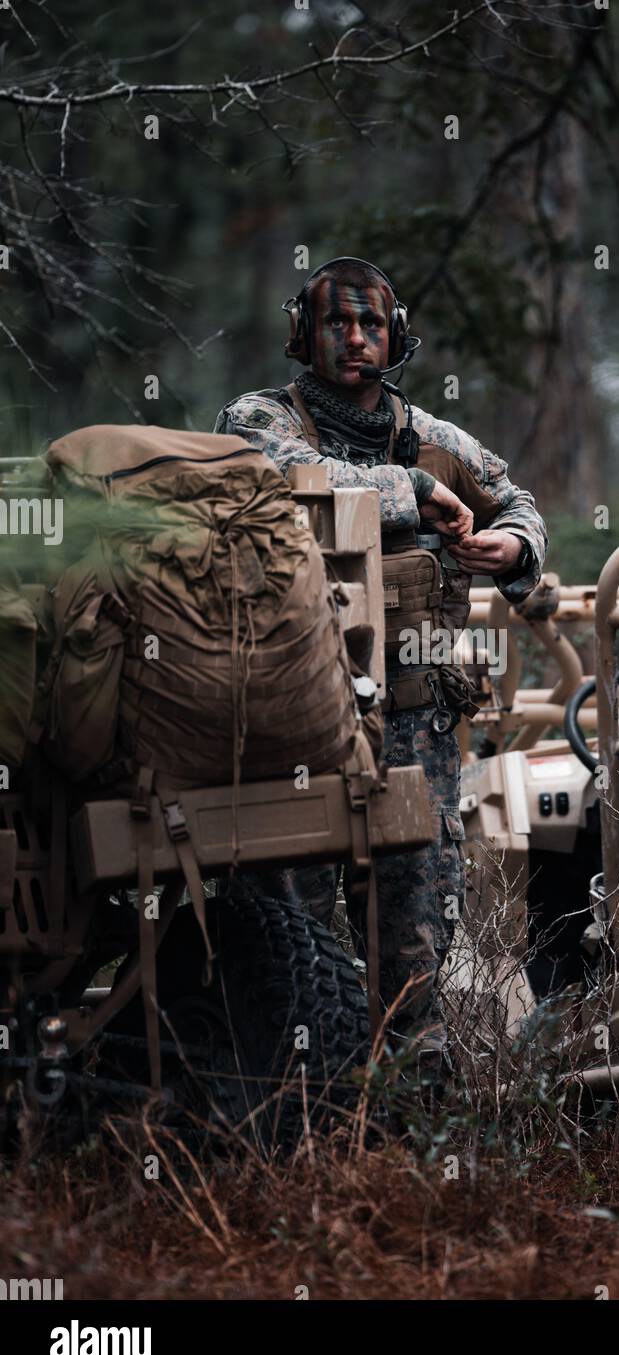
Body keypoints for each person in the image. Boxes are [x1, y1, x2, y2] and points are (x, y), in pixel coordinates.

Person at [214, 256, 547, 1081]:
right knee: (290, 920)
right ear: (306, 334)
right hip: (297, 716)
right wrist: (409, 493)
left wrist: (513, 547)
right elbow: (273, 479)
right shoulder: (259, 417)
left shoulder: (436, 437)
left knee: (417, 926)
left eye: (371, 323)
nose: (355, 339)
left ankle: (412, 1117)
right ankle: (292, 1104)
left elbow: (518, 506)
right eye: (338, 323)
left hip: (415, 723)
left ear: (395, 335)